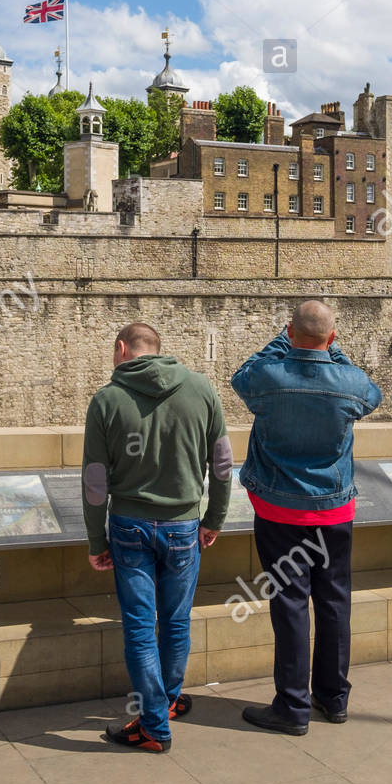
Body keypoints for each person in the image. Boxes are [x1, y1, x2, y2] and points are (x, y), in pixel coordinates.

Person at [231, 300, 381, 736]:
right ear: (332, 338)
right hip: (334, 510)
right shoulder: (349, 382)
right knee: (334, 602)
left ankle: (292, 706)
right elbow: (370, 393)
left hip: (279, 510)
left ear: (290, 332)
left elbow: (244, 374)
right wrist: (329, 351)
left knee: (290, 603)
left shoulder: (268, 376)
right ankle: (333, 699)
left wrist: (285, 341)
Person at [83, 322, 233, 752]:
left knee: (139, 626)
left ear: (121, 348)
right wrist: (215, 517)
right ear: (158, 350)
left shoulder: (107, 400)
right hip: (185, 525)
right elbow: (221, 463)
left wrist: (97, 540)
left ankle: (152, 726)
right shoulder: (201, 389)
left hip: (129, 525)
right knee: (175, 620)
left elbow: (96, 480)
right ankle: (166, 700)